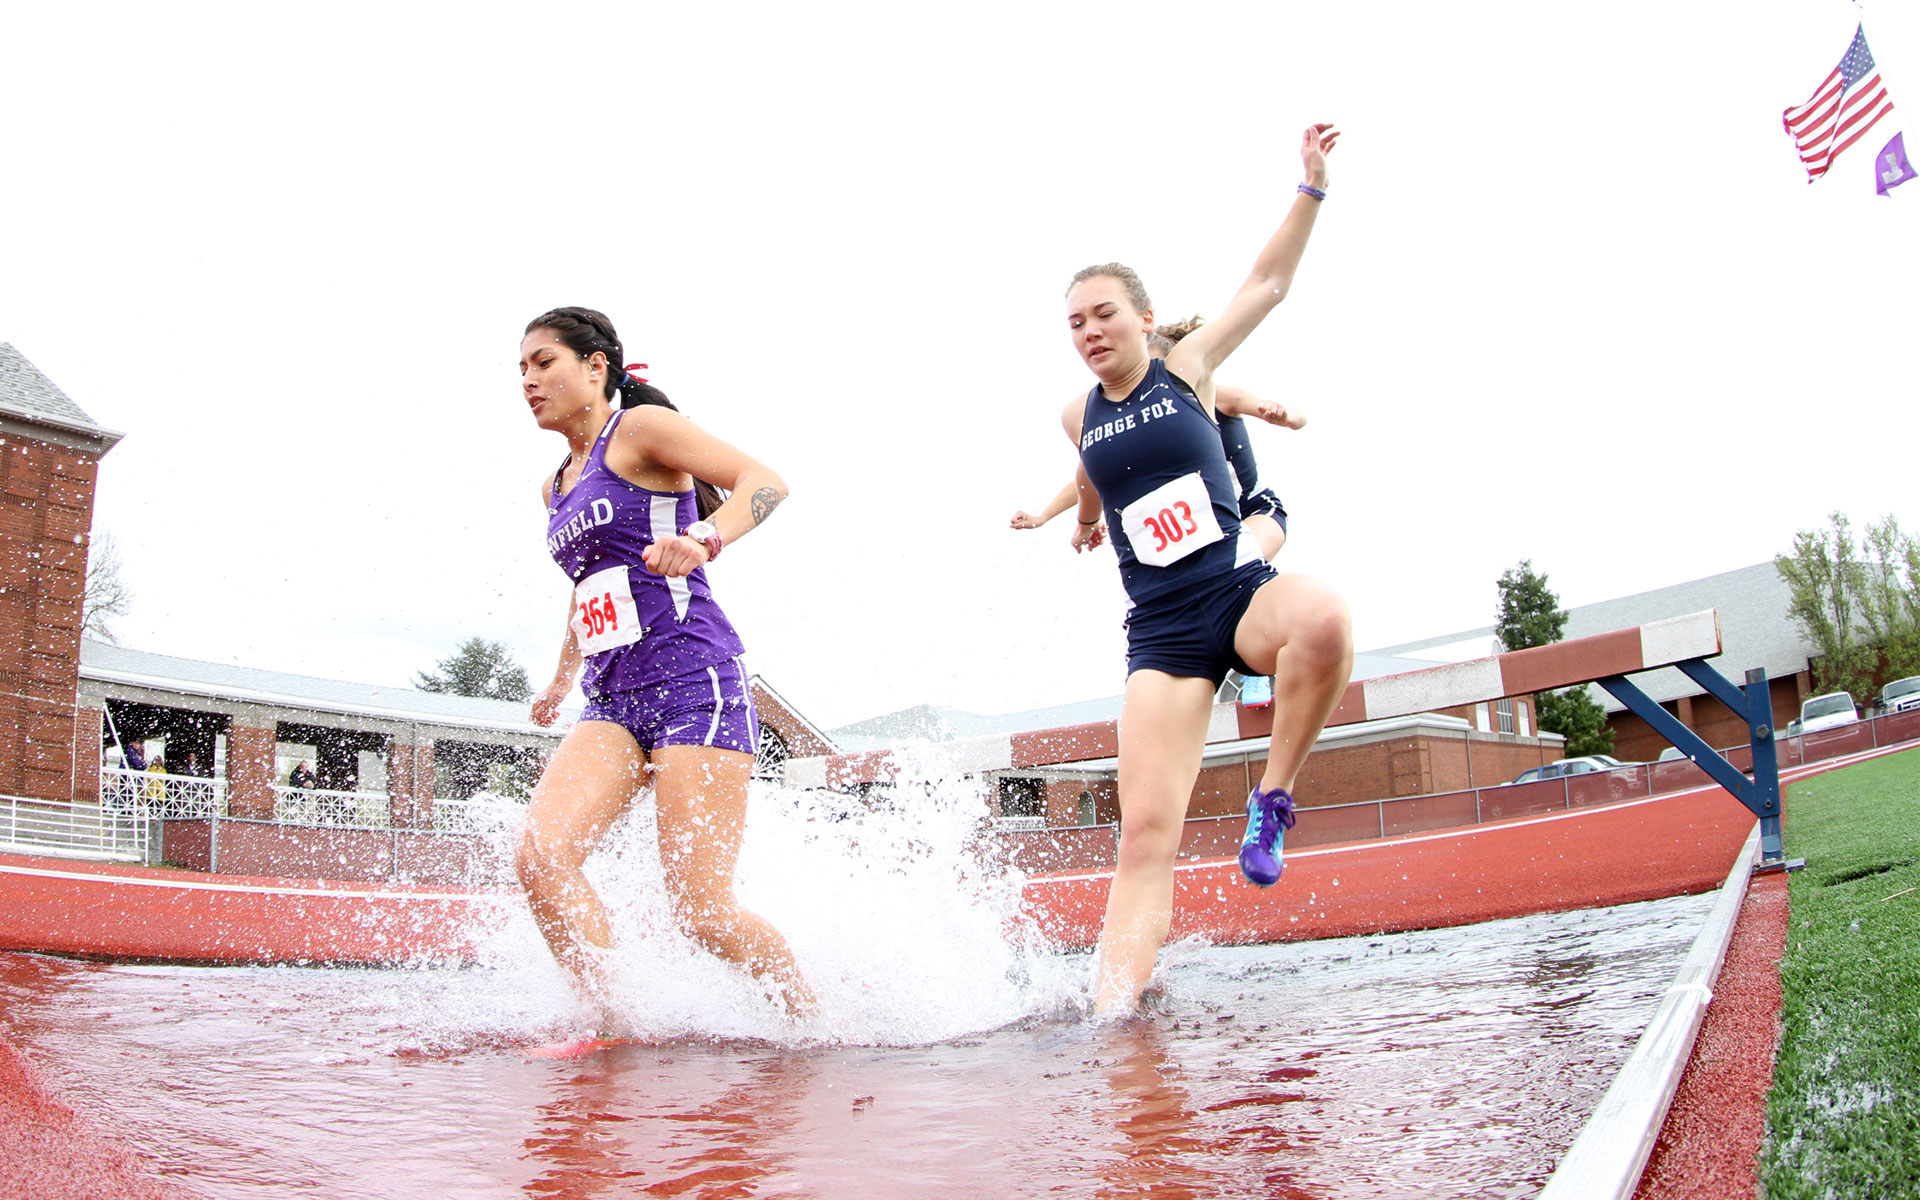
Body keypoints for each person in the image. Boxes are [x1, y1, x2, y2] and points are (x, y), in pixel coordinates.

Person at [1058, 124, 1354, 1016]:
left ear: (1145, 319)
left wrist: (1311, 188)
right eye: (1075, 322)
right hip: (1162, 632)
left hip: (1234, 592)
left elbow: (1266, 284)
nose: (1090, 331)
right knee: (1145, 836)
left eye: (1104, 313)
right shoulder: (1075, 414)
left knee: (1324, 619)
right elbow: (1092, 475)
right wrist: (1082, 522)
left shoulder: (1187, 371)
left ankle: (1274, 797)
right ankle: (1111, 1014)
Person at [516, 305, 815, 1024]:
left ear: (596, 367)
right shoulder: (554, 487)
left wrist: (705, 537)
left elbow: (765, 480)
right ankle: (611, 1024)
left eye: (544, 362)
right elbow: (588, 584)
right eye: (520, 369)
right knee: (542, 857)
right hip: (612, 698)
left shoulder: (640, 431)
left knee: (701, 912)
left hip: (693, 681)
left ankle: (811, 1021)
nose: (528, 380)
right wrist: (561, 677)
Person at [1012, 324, 1304, 562]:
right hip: (1203, 528)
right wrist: (1045, 516)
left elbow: (1298, 417)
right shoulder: (1140, 425)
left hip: (1254, 512)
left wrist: (1285, 415)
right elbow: (1089, 478)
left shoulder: (1219, 396)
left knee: (1236, 565)